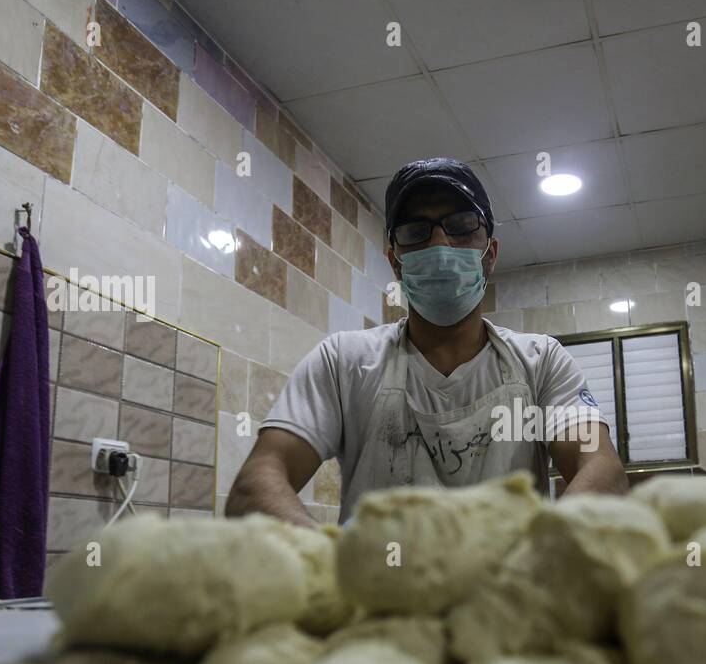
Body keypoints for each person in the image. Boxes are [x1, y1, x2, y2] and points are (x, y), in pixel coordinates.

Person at [226, 157, 628, 527]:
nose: (439, 245)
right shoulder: (342, 362)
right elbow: (257, 483)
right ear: (395, 260)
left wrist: (543, 551)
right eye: (416, 231)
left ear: (490, 253)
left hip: (511, 595)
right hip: (378, 600)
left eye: (462, 225)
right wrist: (332, 564)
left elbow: (601, 468)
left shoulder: (542, 362)